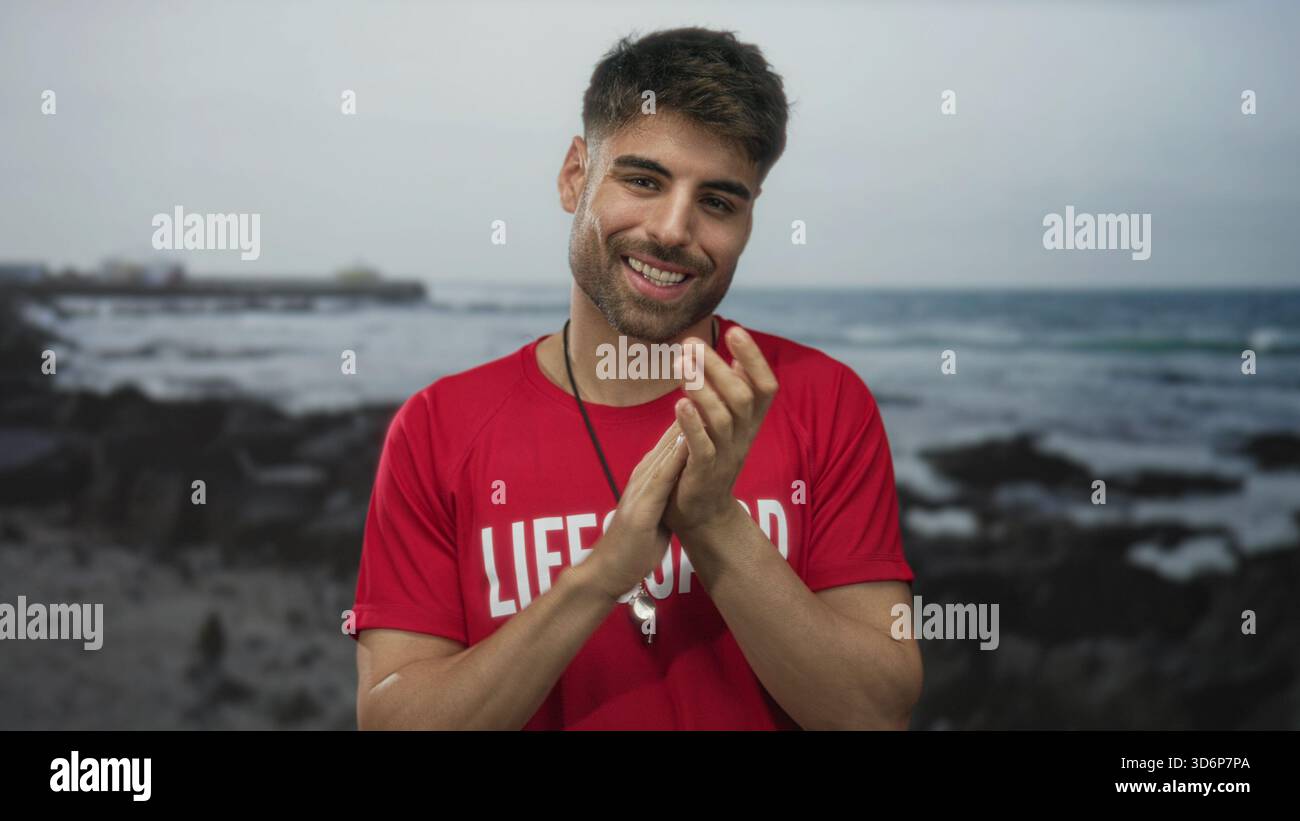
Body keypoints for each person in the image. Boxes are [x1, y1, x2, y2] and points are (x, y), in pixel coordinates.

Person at [351, 26, 922, 730]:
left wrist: (714, 523)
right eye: (643, 180)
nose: (672, 229)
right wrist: (599, 577)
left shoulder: (824, 401)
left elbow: (875, 711)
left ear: (748, 219)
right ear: (574, 176)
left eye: (717, 201)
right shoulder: (439, 428)